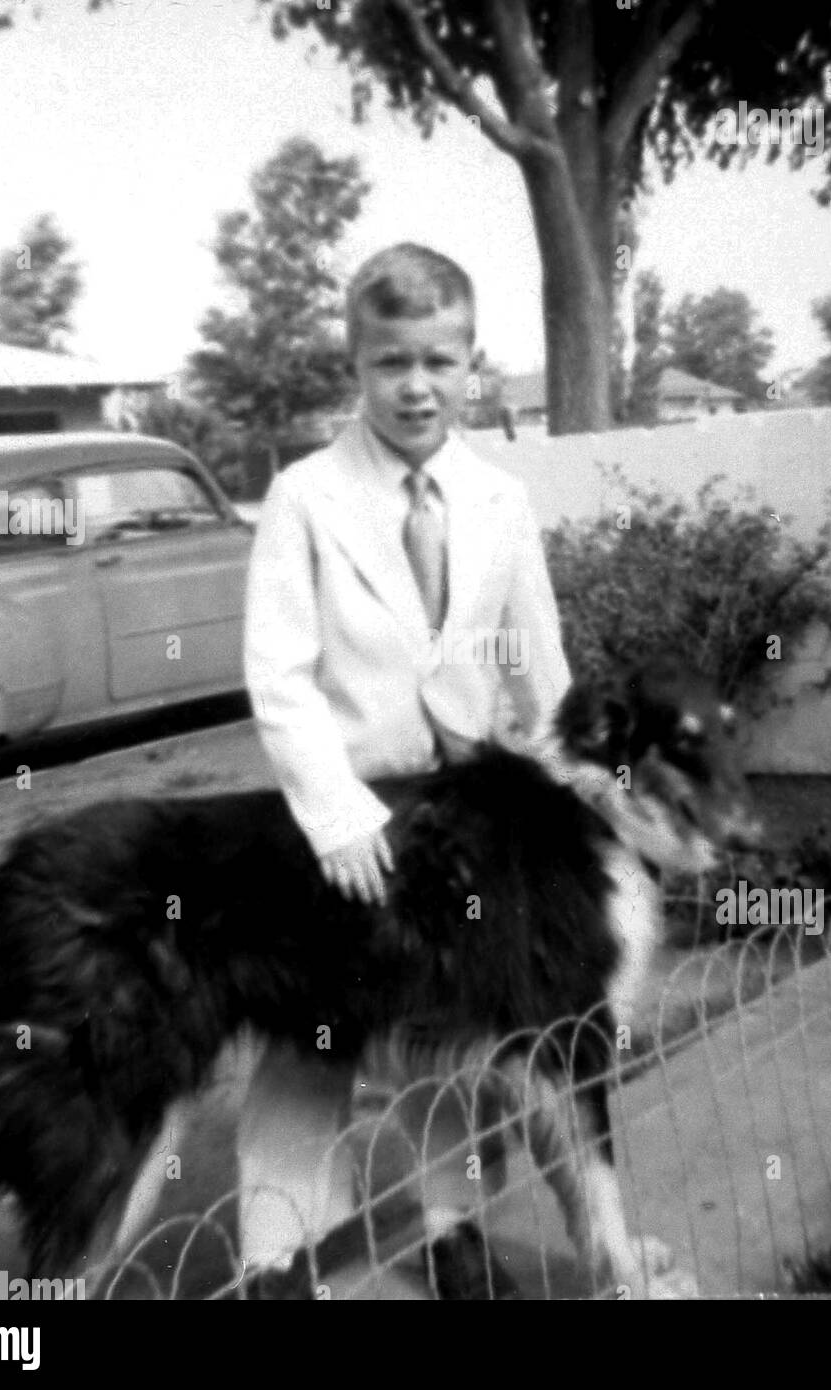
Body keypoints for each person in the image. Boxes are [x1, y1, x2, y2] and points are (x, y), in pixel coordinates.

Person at [240, 241, 570, 1295]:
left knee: (457, 1041)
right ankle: (284, 1254)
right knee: (312, 1037)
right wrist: (336, 816)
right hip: (343, 816)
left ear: (473, 360)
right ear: (356, 366)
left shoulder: (497, 499)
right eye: (391, 363)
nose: (417, 384)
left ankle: (450, 1226)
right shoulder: (303, 497)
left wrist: (569, 808)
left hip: (465, 819)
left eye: (440, 358)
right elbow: (279, 676)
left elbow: (539, 669)